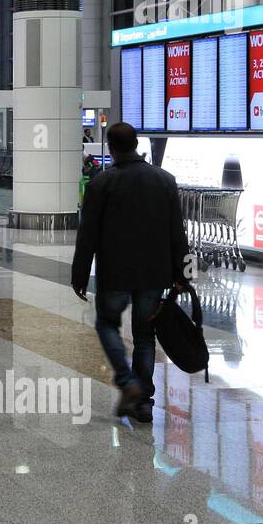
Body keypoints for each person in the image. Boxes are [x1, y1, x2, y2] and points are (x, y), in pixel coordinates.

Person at [71, 122, 189, 424]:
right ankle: (144, 403)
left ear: (110, 148)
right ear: (136, 143)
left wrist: (80, 273)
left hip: (115, 272)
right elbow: (178, 232)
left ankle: (128, 382)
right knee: (145, 336)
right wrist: (182, 272)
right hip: (154, 273)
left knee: (107, 324)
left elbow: (88, 235)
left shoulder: (101, 184)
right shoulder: (165, 180)